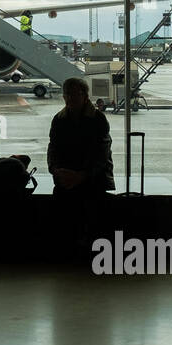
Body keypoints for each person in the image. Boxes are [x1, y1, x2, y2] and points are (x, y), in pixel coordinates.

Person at [47, 76, 115, 231]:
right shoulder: (59, 119)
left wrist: (81, 175)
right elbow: (53, 148)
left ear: (85, 96)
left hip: (91, 179)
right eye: (67, 94)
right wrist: (56, 171)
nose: (70, 98)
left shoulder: (98, 119)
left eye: (75, 94)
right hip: (70, 178)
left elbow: (101, 153)